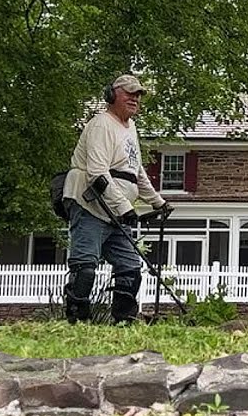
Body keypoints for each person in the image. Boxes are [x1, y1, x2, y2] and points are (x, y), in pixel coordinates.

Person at [60, 74, 171, 324]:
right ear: (112, 96)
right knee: (85, 267)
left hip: (117, 213)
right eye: (129, 93)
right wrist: (124, 207)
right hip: (90, 206)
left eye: (138, 94)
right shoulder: (101, 125)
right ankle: (78, 321)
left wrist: (157, 202)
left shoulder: (130, 128)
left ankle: (123, 321)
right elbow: (97, 173)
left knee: (130, 268)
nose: (135, 98)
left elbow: (136, 171)